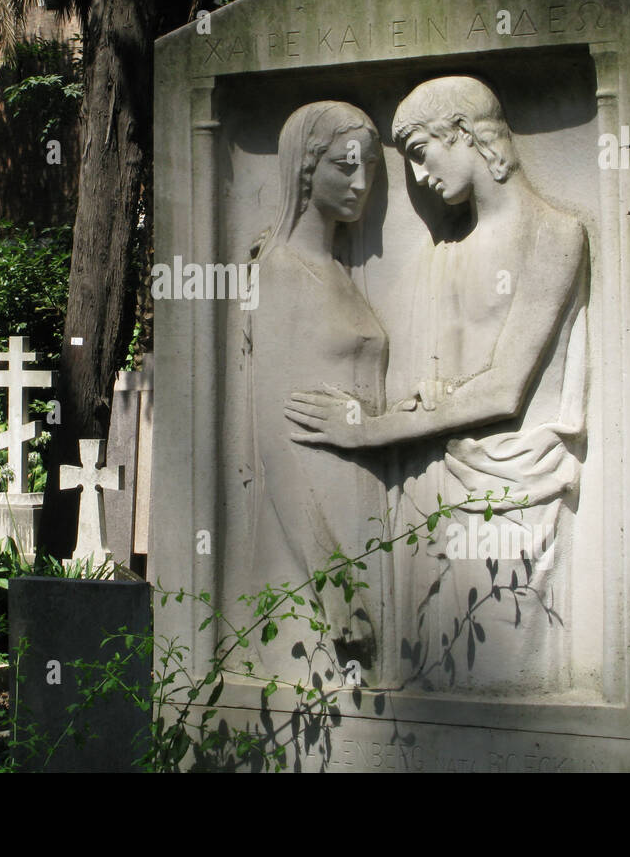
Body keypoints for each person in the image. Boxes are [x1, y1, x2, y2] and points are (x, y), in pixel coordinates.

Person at [284, 76, 589, 691]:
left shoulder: (555, 234)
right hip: (434, 489)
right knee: (433, 681)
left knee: (500, 680)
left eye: (421, 152)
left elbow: (504, 392)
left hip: (513, 492)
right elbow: (444, 384)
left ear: (466, 133)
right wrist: (423, 400)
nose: (418, 177)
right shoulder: (449, 252)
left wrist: (371, 429)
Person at [241, 100, 397, 686]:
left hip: (358, 506)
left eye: (371, 170)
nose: (360, 183)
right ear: (306, 170)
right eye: (344, 166)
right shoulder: (280, 271)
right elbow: (271, 443)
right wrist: (331, 581)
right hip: (308, 532)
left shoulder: (334, 269)